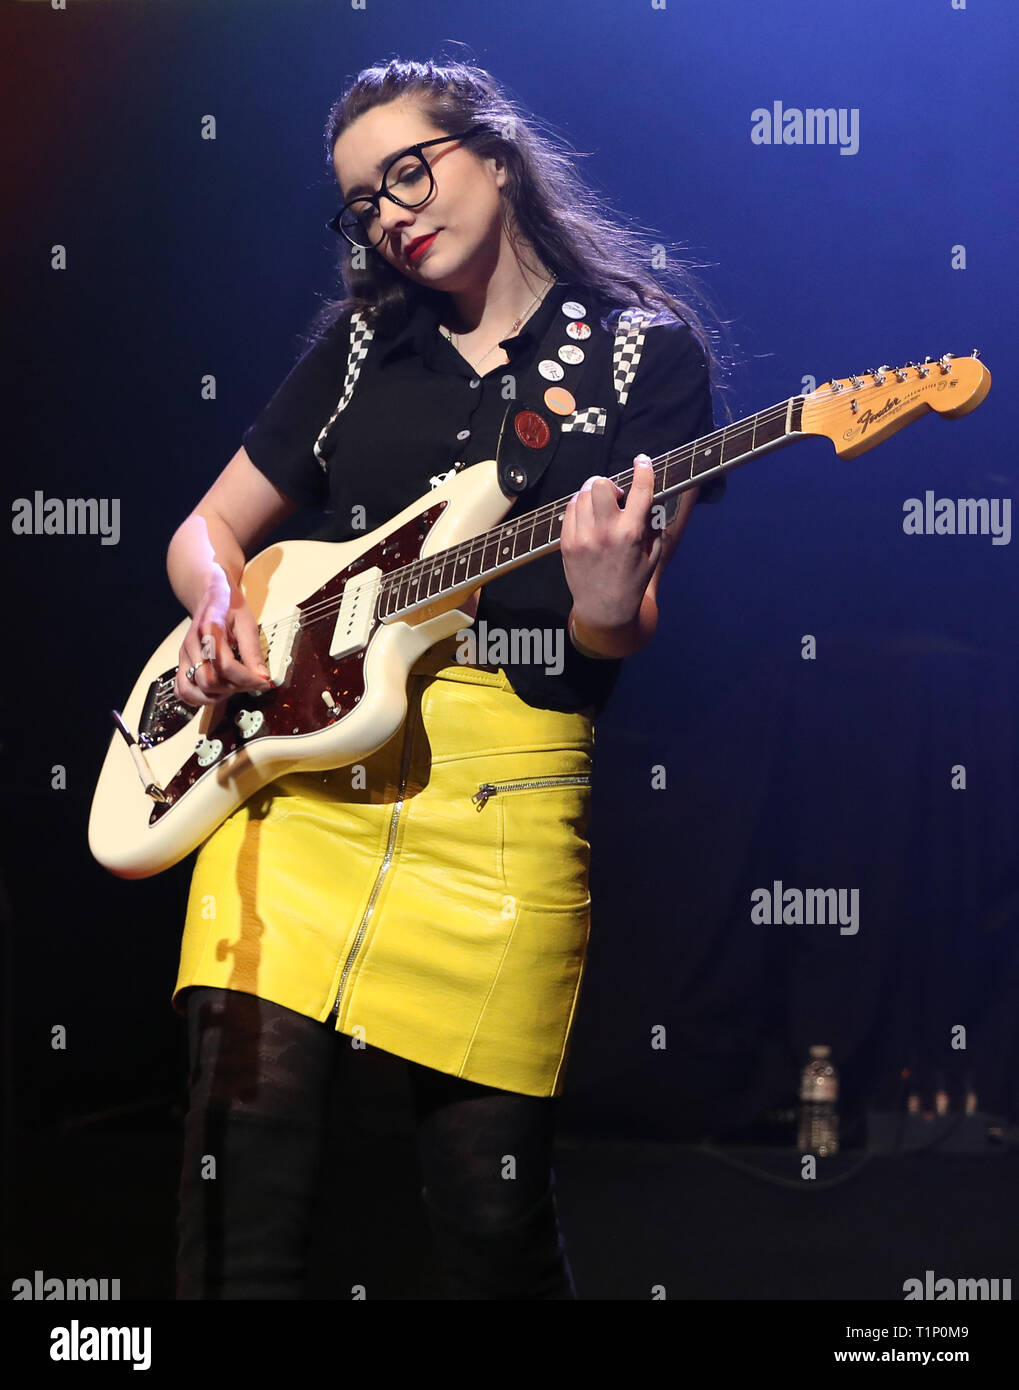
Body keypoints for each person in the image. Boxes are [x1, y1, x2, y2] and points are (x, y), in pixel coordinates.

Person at [167, 56, 726, 1300]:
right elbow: (205, 529)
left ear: (495, 152)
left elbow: (615, 632)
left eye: (407, 171)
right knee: (237, 1199)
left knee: (489, 1218)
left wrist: (598, 607)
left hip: (499, 798)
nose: (387, 212)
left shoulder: (643, 354)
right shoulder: (367, 347)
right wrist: (218, 602)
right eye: (362, 202)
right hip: (294, 787)